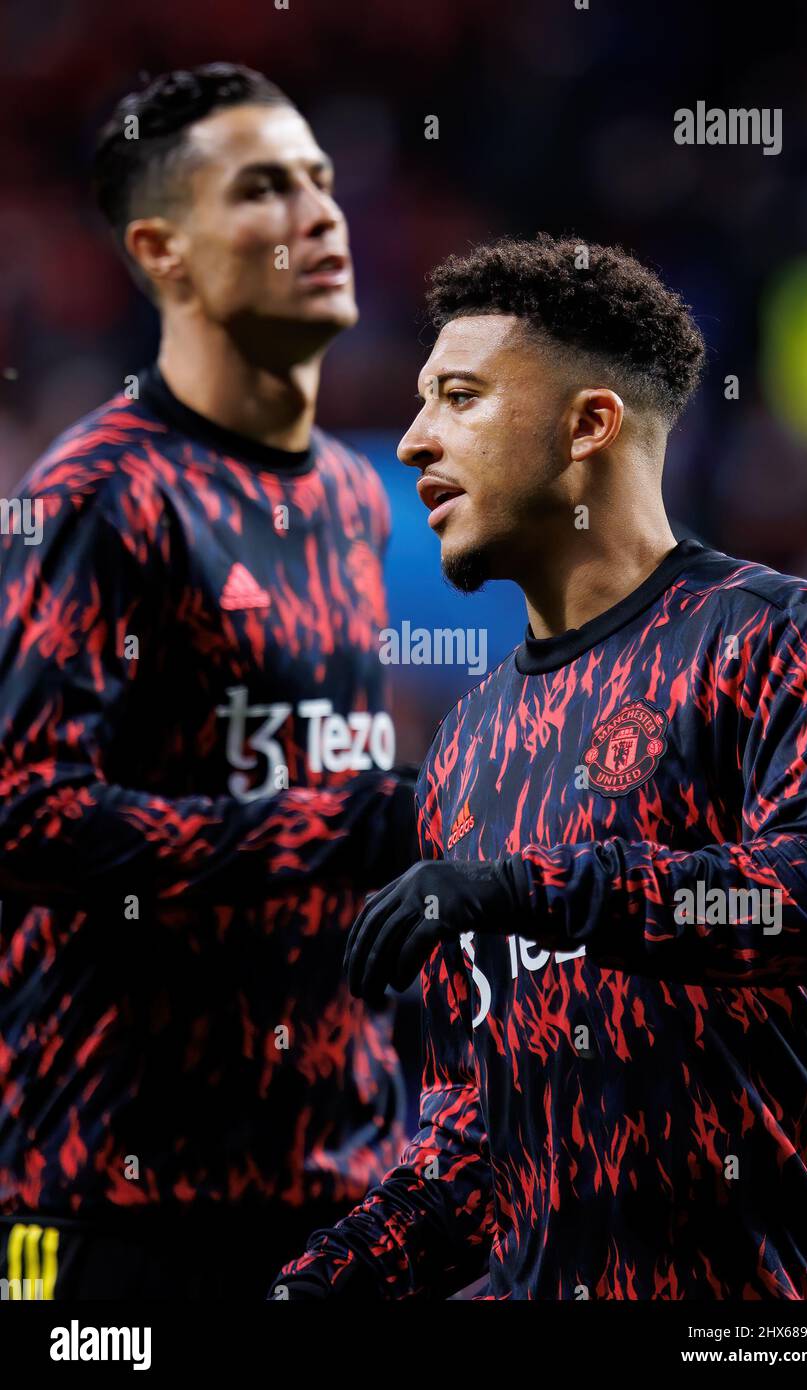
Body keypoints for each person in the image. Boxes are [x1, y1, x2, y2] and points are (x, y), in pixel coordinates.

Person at [271, 234, 807, 1301]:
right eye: (418, 401)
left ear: (590, 423)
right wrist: (321, 1283)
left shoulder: (773, 641)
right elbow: (472, 1148)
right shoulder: (464, 751)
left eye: (458, 397)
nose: (411, 441)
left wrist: (538, 886)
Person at [0, 63, 417, 1300]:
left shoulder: (350, 490)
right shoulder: (98, 494)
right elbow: (27, 813)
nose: (318, 213)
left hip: (339, 1183)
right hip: (116, 1200)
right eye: (263, 188)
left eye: (321, 181)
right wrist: (336, 829)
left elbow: (310, 766)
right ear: (163, 252)